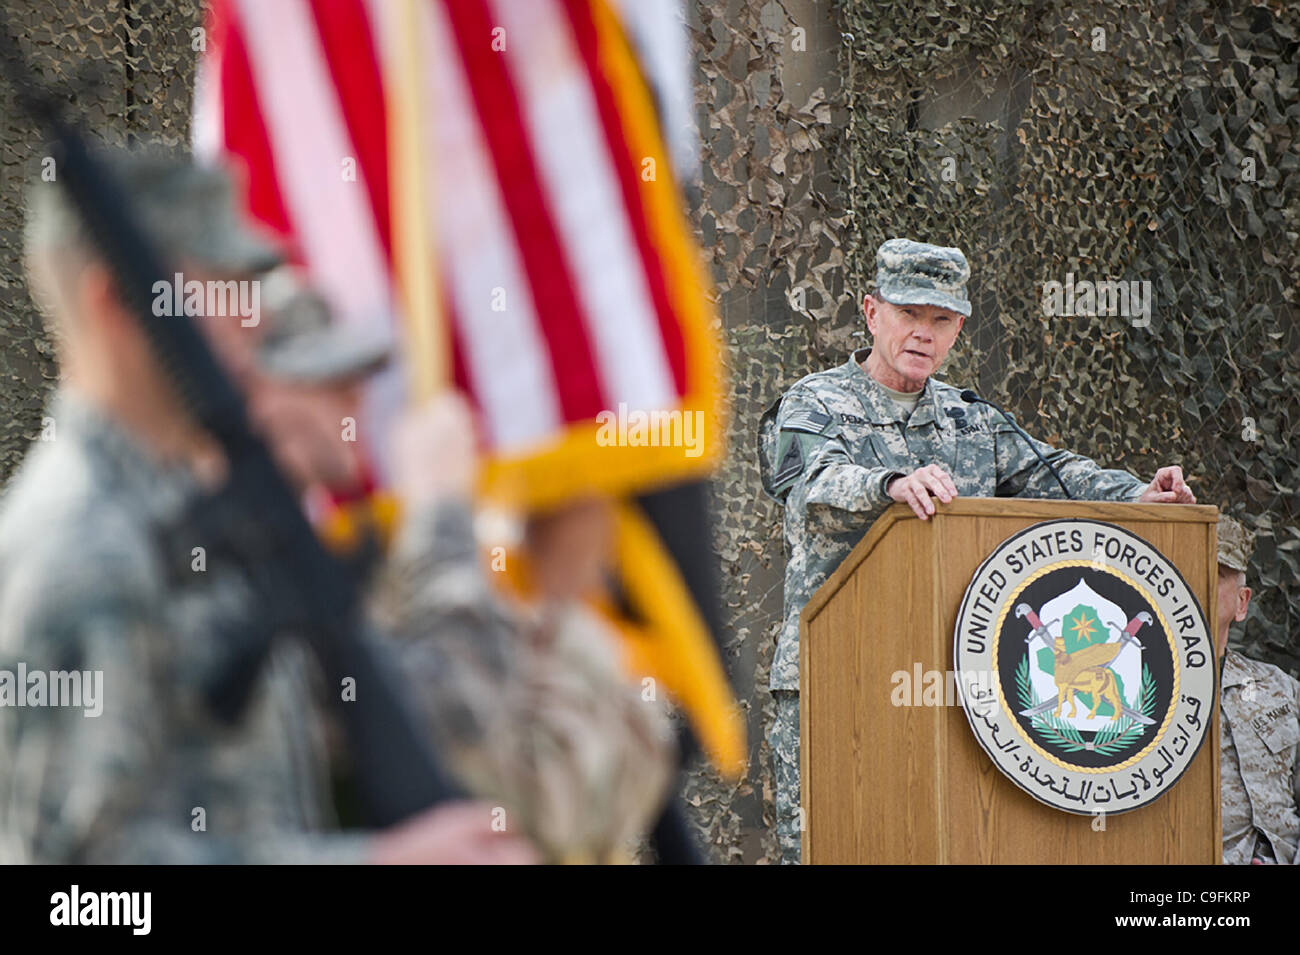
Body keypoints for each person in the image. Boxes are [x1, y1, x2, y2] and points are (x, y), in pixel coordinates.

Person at [0, 149, 534, 864]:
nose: (253, 323)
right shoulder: (82, 547)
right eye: (222, 292)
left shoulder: (193, 508)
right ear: (117, 304)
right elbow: (76, 898)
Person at [757, 237, 1197, 864]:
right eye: (909, 314)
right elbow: (807, 480)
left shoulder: (972, 417)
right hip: (834, 679)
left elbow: (1058, 476)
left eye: (940, 321)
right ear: (871, 312)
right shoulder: (815, 402)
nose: (923, 334)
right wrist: (889, 484)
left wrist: (1138, 494)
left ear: (959, 328)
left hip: (946, 684)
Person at [245, 279, 677, 863]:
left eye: (358, 379)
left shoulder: (345, 569)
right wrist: (441, 521)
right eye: (326, 381)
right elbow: (462, 759)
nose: (357, 402)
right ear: (254, 395)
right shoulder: (239, 578)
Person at [1215, 514, 1299, 864]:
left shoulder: (1282, 689)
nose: (1197, 581)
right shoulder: (1141, 695)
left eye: (1216, 574)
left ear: (1242, 602)